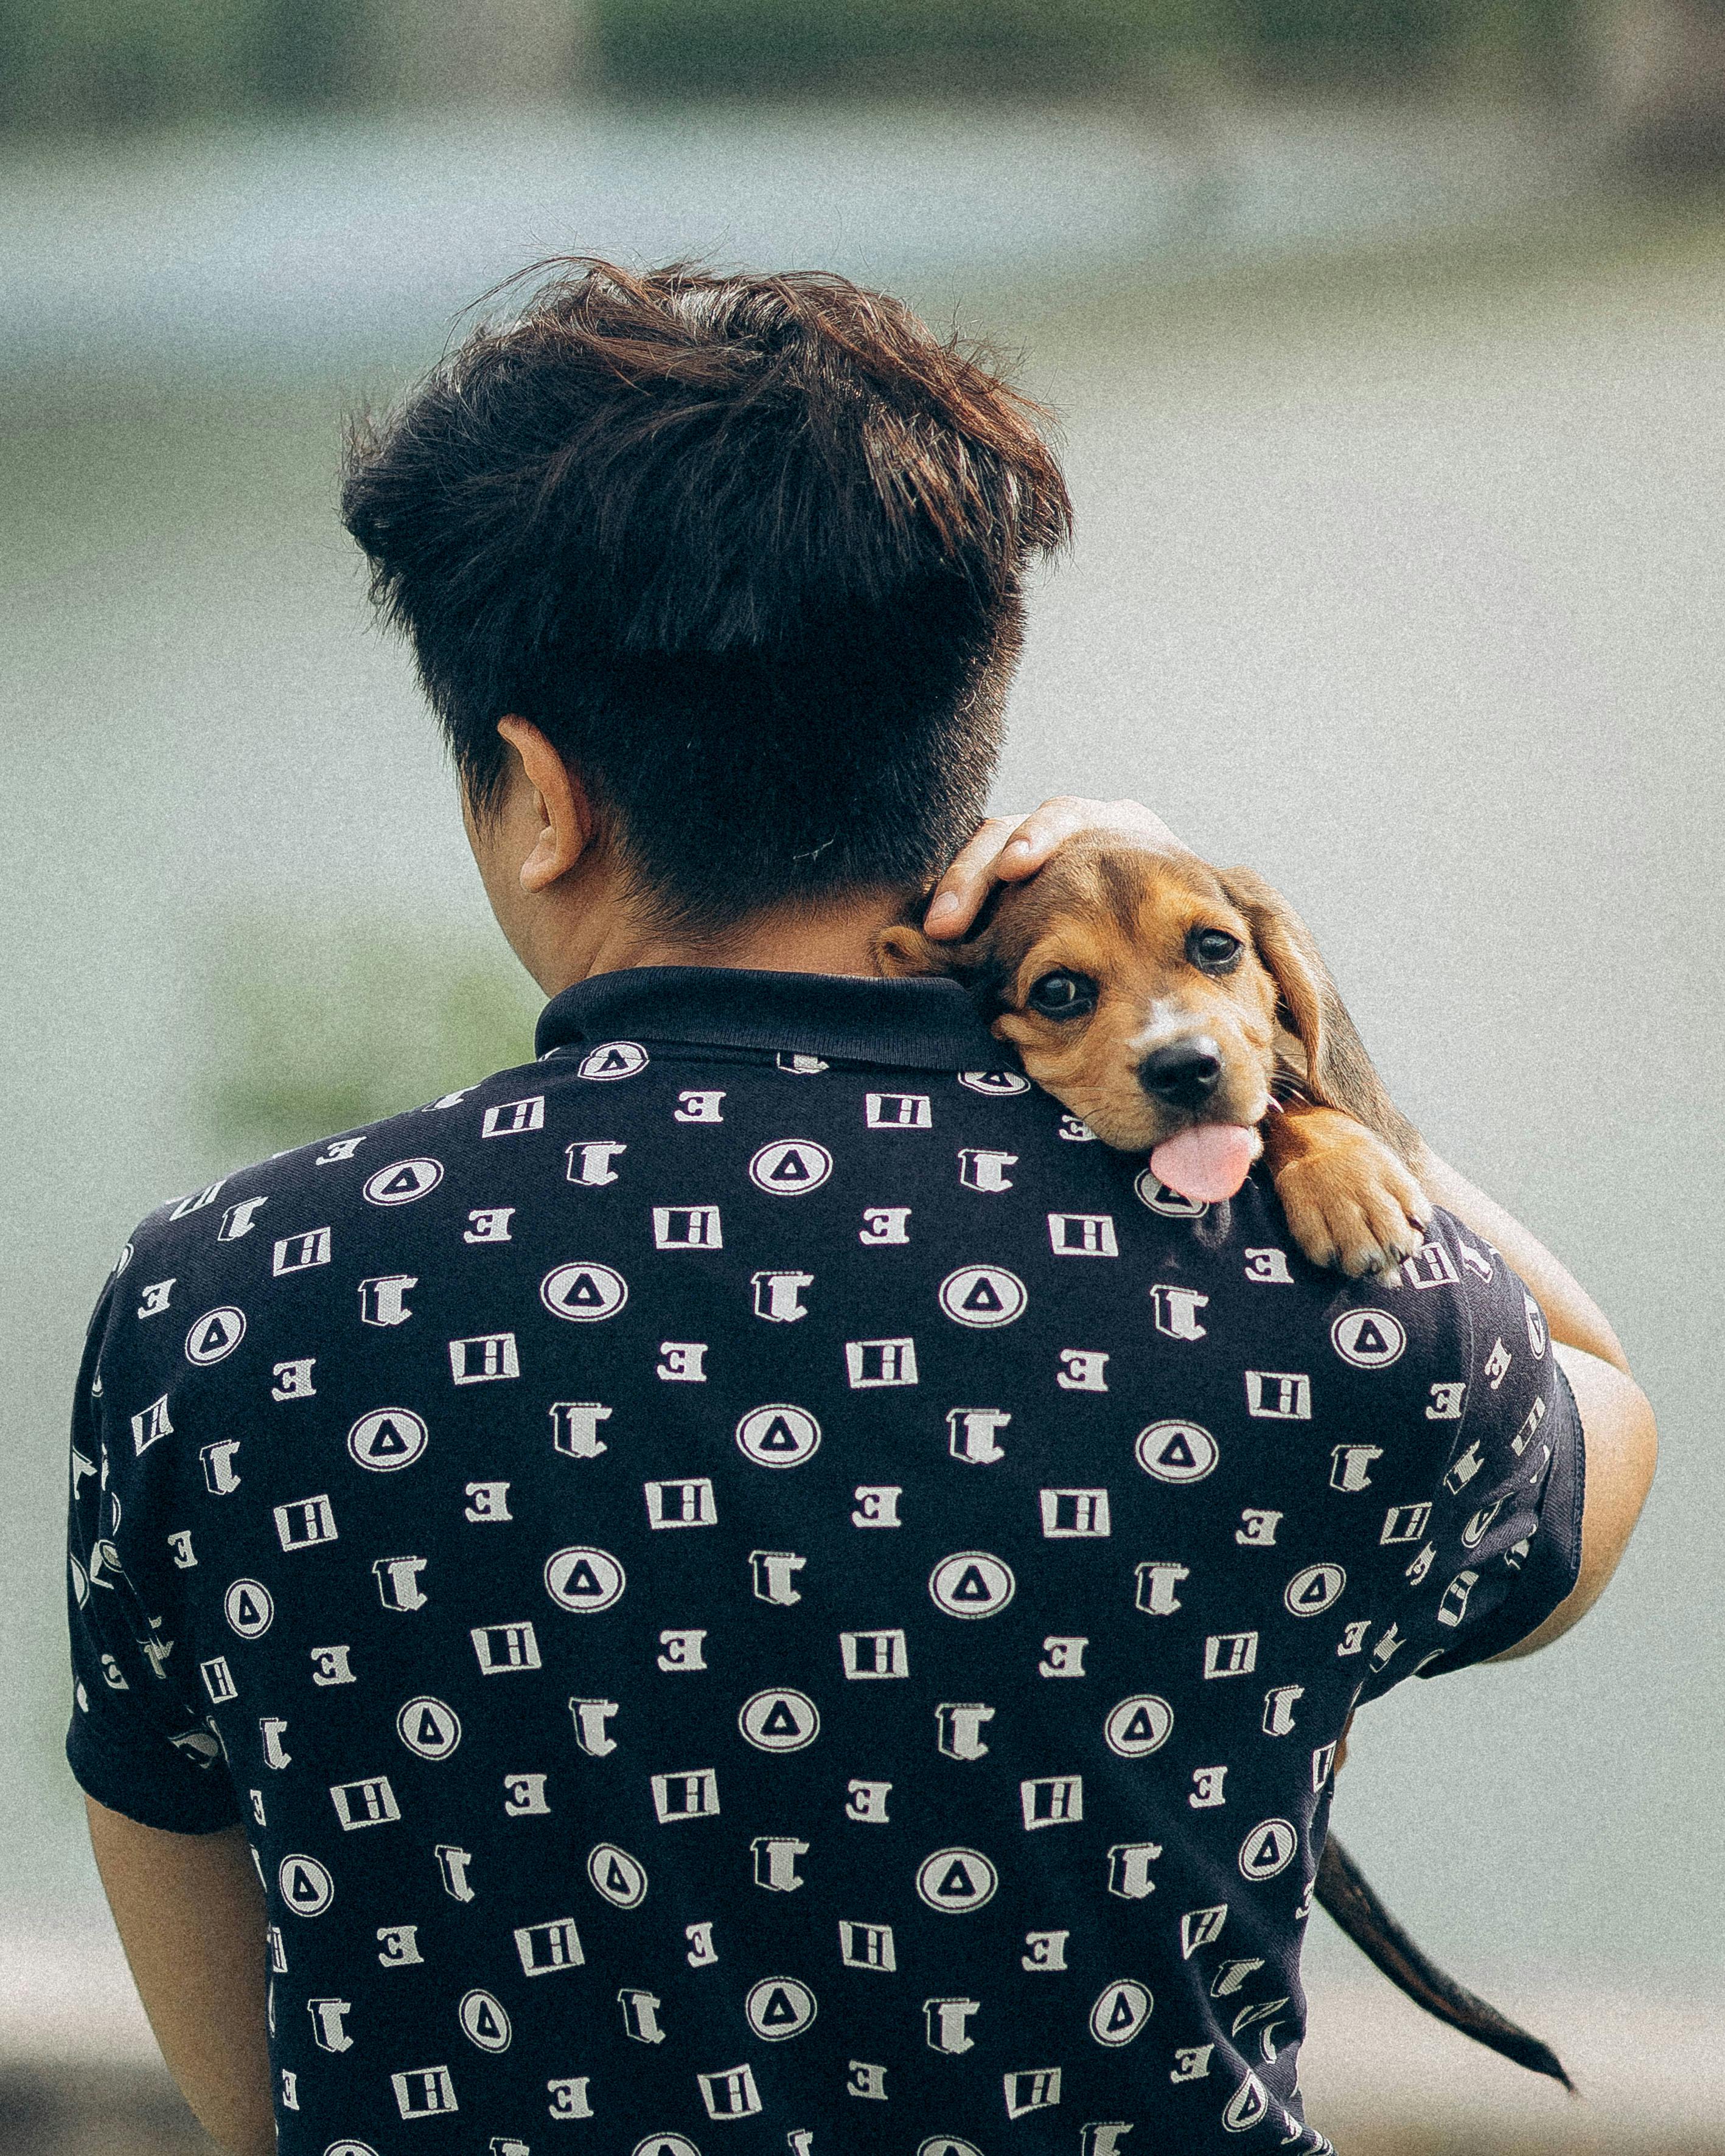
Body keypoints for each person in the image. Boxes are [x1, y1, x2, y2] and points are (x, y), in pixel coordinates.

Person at [66, 261, 1655, 2156]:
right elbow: (1592, 1391)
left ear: (539, 797)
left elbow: (238, 2040)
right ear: (957, 749)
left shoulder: (220, 1309)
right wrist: (1266, 1042)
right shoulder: (1320, 1290)